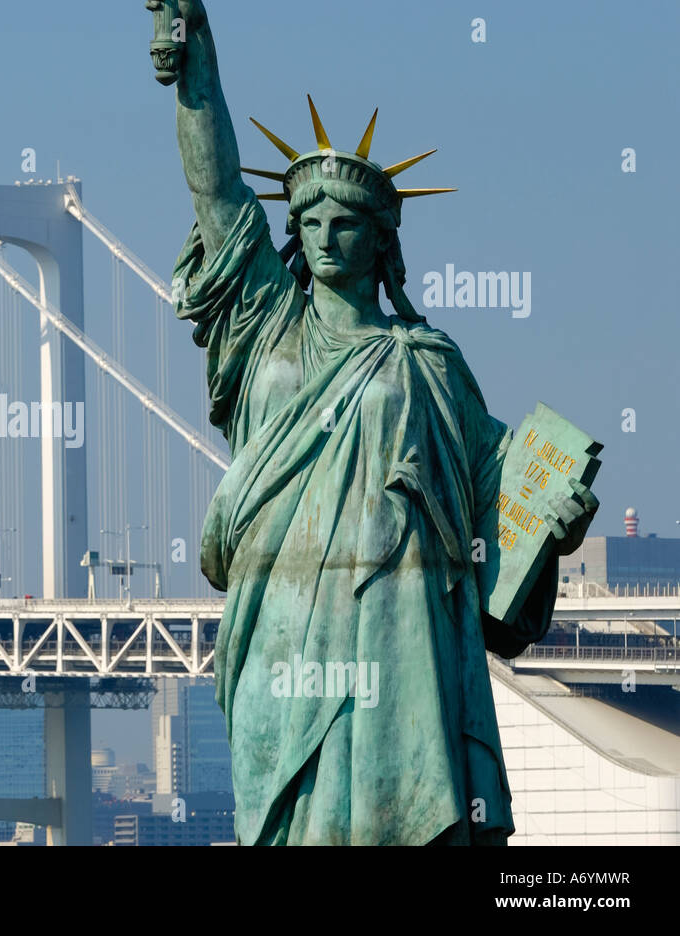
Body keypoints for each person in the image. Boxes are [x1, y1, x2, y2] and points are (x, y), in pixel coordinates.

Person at [148, 0, 598, 844]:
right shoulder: (267, 322)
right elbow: (215, 188)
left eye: (345, 223)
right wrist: (195, 56)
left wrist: (559, 527)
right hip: (280, 613)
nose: (323, 236)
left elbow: (502, 501)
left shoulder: (428, 361)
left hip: (402, 624)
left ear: (381, 241)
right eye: (309, 221)